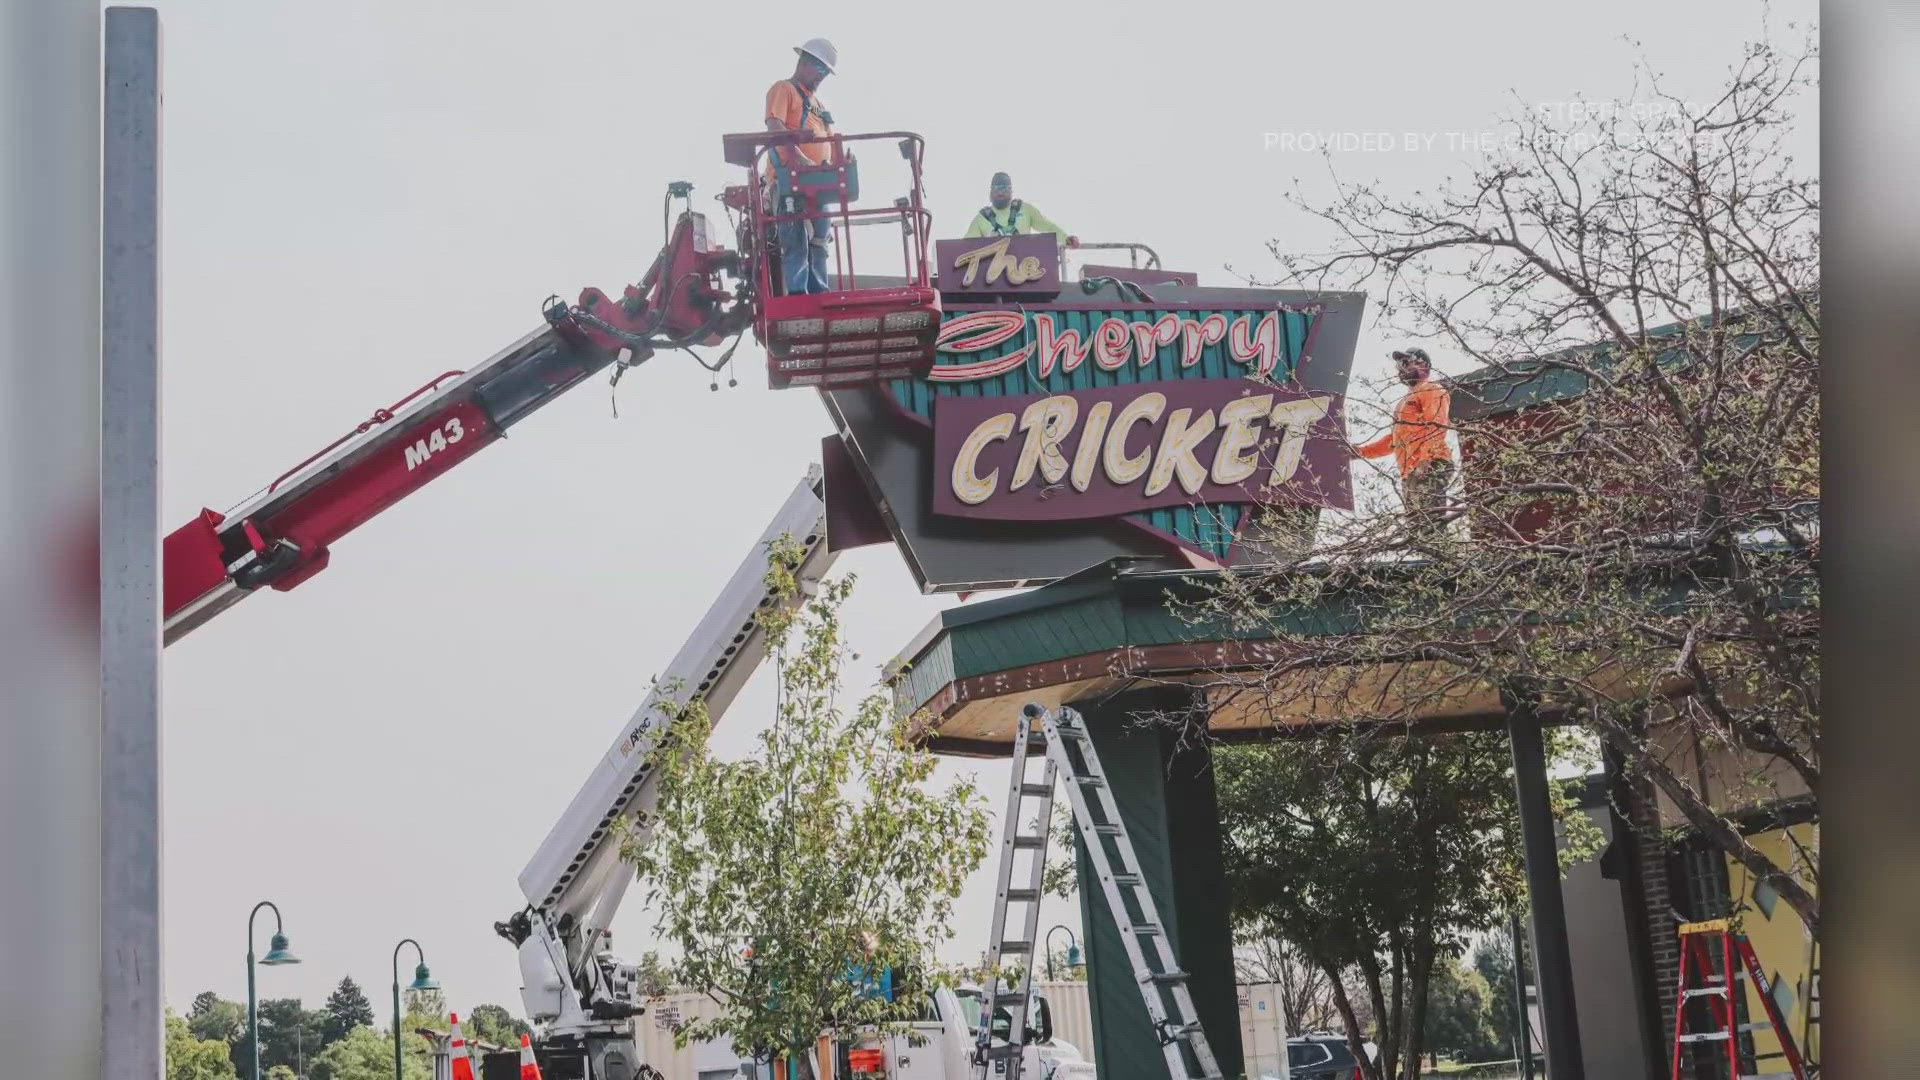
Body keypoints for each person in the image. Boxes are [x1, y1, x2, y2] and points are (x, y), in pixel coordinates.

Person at [765, 38, 842, 295]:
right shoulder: (783, 89)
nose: (822, 77)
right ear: (803, 62)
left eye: (825, 72)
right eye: (819, 69)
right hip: (790, 179)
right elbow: (775, 126)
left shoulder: (819, 106)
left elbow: (827, 139)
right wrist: (797, 156)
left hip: (816, 181)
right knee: (796, 236)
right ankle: (799, 292)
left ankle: (818, 289)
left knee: (820, 238)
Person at [1354, 347, 1454, 536]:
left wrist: (1426, 459)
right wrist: (1361, 452)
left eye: (1407, 363)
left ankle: (1441, 560)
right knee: (1417, 529)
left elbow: (1437, 424)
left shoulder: (1432, 389)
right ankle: (1430, 559)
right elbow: (1394, 440)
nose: (1401, 368)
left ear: (1424, 366)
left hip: (1430, 463)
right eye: (1399, 365)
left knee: (1429, 524)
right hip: (1411, 469)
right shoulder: (1405, 401)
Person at [962, 172, 1079, 250]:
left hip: (1025, 271)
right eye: (996, 188)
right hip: (992, 274)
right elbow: (967, 245)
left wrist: (1066, 239)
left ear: (1011, 190)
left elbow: (1047, 226)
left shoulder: (1025, 209)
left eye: (1004, 188)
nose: (1000, 192)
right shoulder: (982, 217)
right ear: (991, 191)